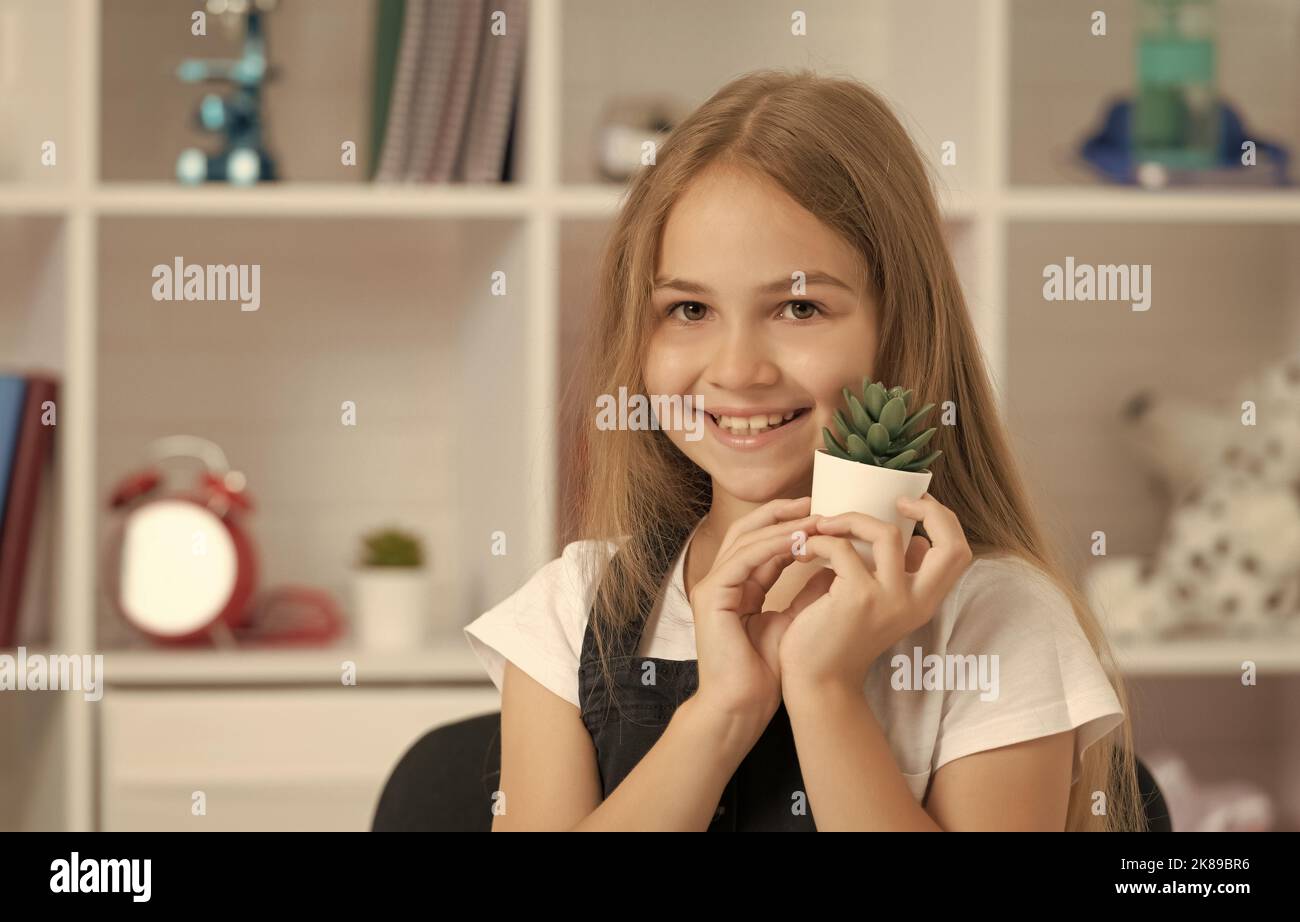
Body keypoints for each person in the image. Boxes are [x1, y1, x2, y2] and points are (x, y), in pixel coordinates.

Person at [464, 69, 1142, 831]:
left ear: (900, 326)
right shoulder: (574, 607)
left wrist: (824, 690)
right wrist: (722, 713)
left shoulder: (994, 619)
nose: (737, 369)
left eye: (798, 306)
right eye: (689, 308)